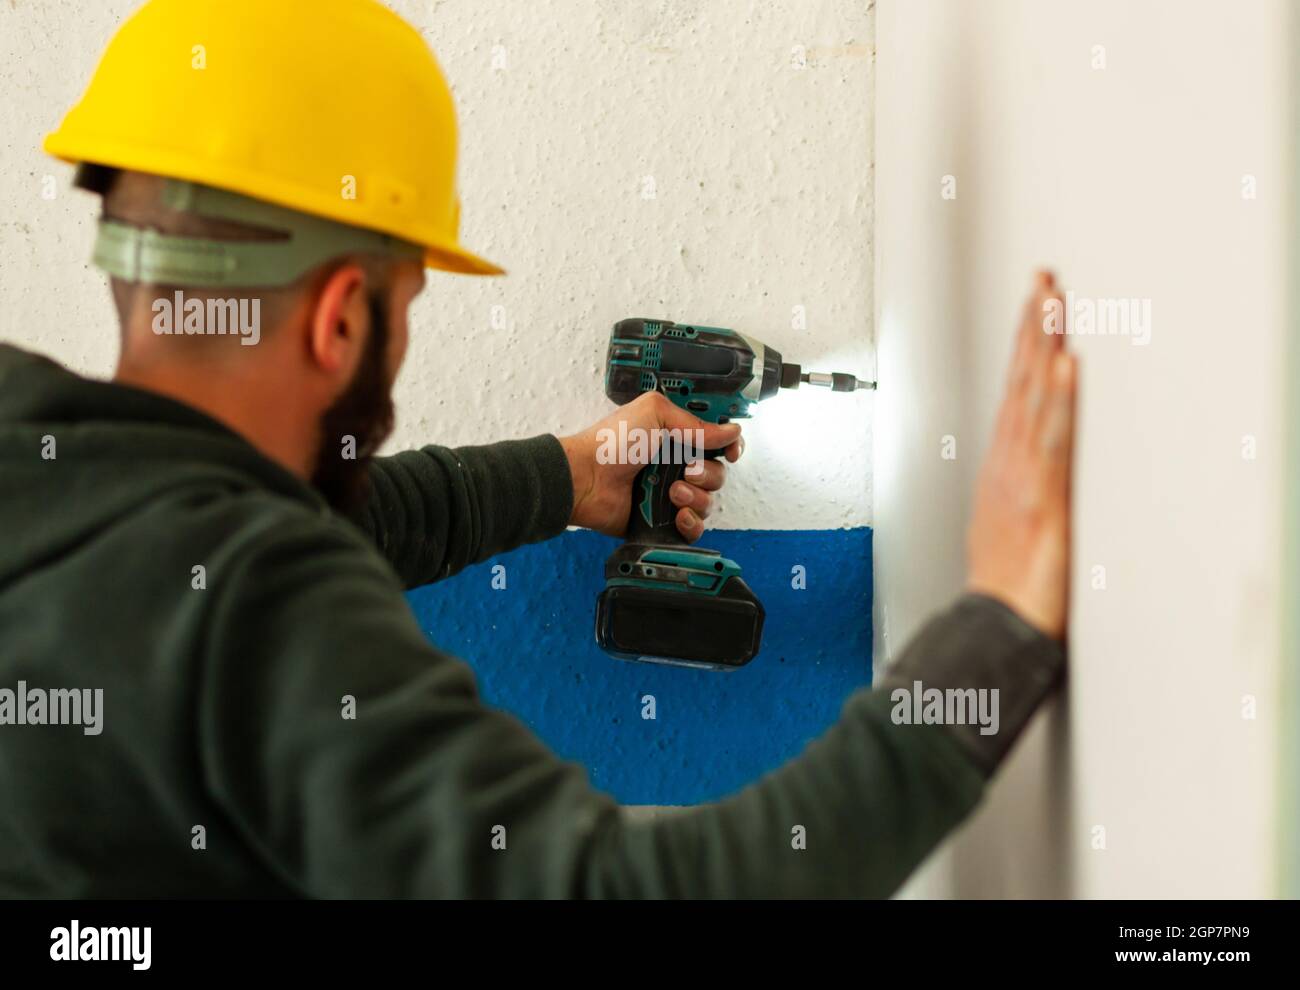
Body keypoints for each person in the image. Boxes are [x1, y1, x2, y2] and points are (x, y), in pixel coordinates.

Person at [0, 0, 1075, 897]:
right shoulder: (260, 605)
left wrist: (565, 477)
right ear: (338, 319)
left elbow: (229, 534)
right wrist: (992, 631)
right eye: (406, 303)